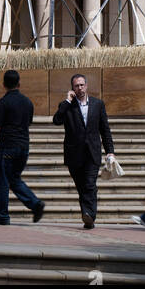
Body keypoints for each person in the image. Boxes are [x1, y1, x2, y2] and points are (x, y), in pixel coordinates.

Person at [51, 73, 115, 229]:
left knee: (90, 184)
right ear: (72, 88)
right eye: (76, 86)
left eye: (81, 85)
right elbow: (56, 120)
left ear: (86, 86)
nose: (79, 88)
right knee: (81, 187)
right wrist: (67, 100)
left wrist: (110, 151)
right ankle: (88, 215)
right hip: (74, 154)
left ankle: (89, 215)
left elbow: (104, 129)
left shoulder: (98, 104)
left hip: (92, 152)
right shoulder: (67, 105)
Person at [0, 69, 45, 226]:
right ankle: (35, 203)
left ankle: (2, 216)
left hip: (7, 147)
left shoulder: (3, 102)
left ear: (3, 84)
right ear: (19, 83)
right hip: (24, 147)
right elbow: (28, 123)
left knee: (3, 181)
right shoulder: (28, 102)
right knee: (14, 179)